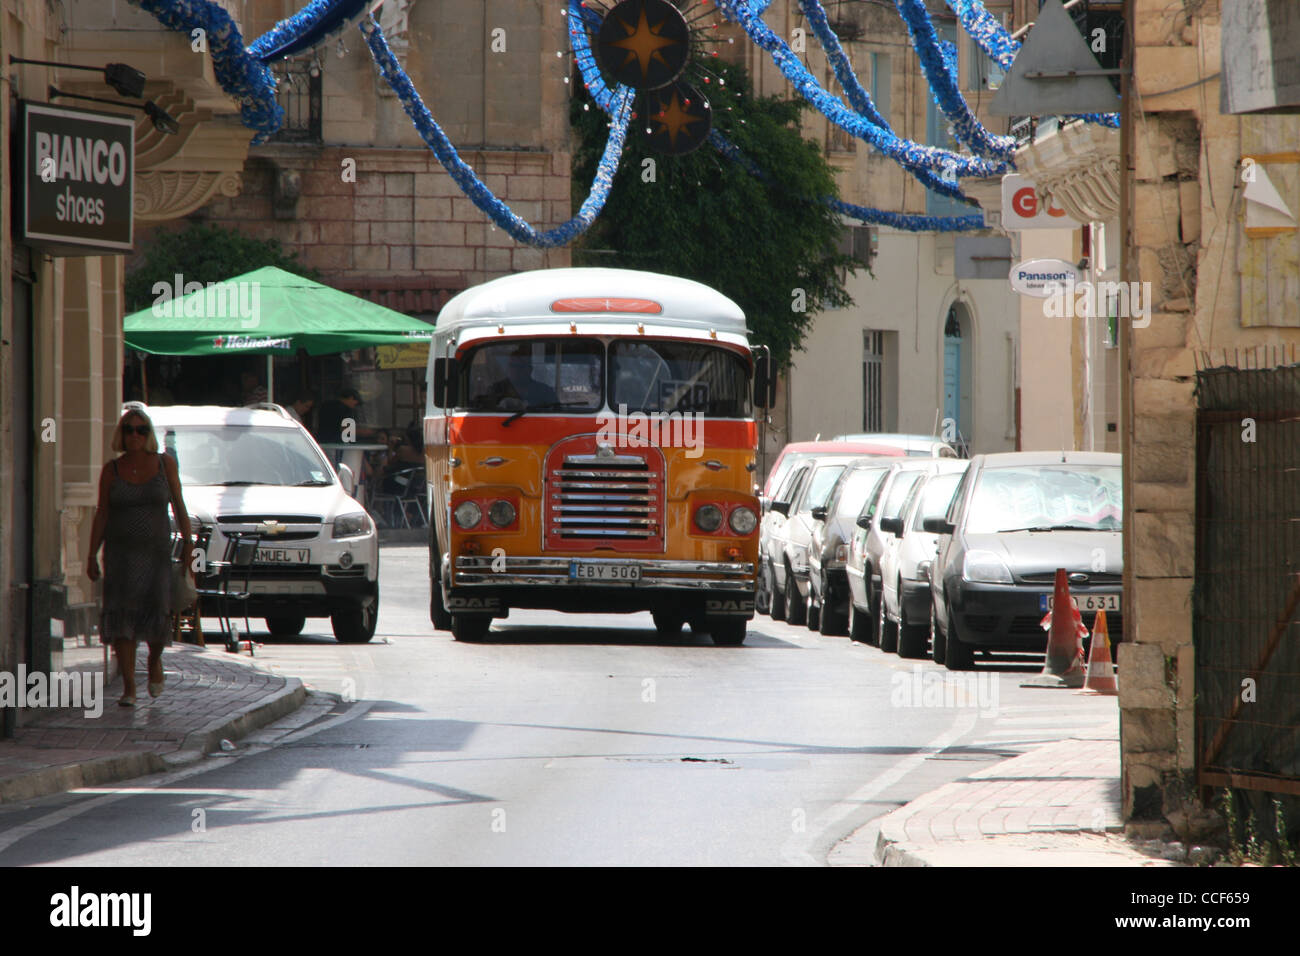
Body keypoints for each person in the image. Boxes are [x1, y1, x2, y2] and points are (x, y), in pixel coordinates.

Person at [86, 408, 195, 707]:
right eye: (129, 429)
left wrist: (189, 547)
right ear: (121, 434)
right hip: (120, 556)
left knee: (158, 615)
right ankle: (130, 687)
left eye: (141, 430)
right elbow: (102, 513)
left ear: (149, 435)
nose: (135, 435)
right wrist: (91, 554)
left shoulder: (164, 464)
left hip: (156, 556)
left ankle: (154, 661)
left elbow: (180, 507)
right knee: (122, 618)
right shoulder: (112, 470)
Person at [487, 345, 557, 411]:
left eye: (521, 366)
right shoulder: (496, 389)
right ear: (508, 368)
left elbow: (556, 414)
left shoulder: (545, 392)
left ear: (530, 369)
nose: (516, 370)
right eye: (512, 366)